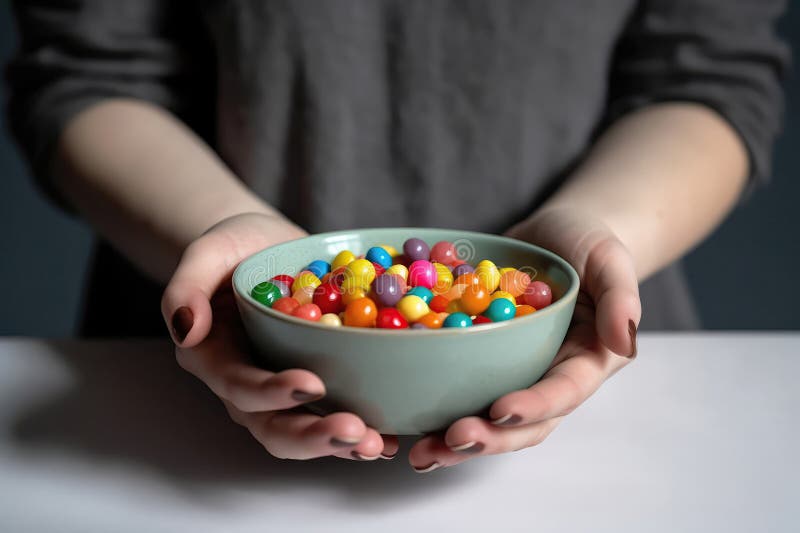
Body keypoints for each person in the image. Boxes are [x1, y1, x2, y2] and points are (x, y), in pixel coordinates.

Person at [6, 1, 788, 471]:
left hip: (589, 397)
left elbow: (706, 77)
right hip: (177, 407)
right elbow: (91, 71)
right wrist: (220, 232)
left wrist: (599, 235)